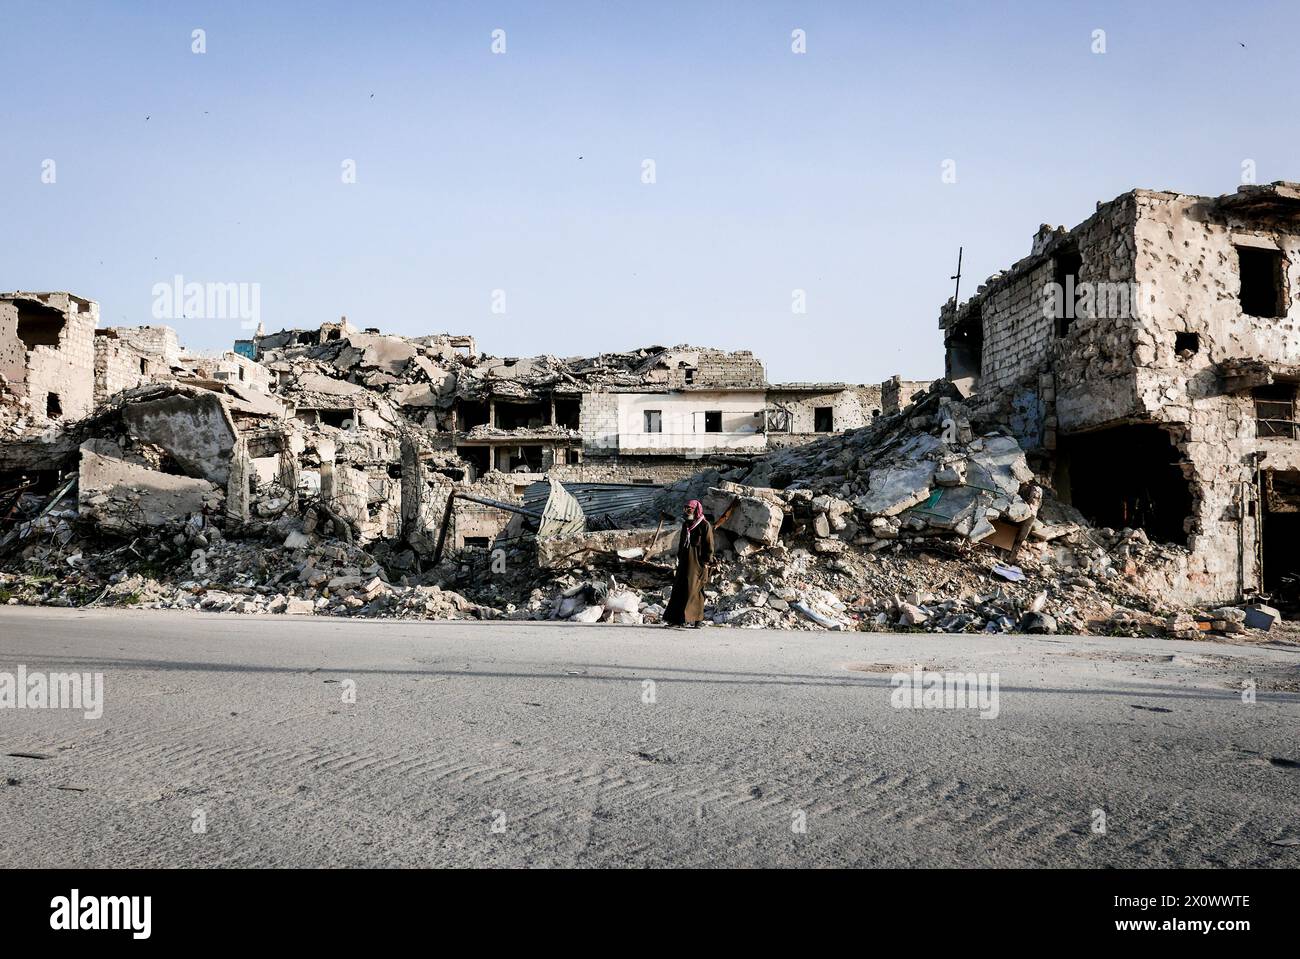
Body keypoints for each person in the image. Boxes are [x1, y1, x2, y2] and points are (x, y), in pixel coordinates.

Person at [664, 499, 713, 628]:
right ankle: (677, 620)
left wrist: (705, 562)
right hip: (684, 563)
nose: (687, 511)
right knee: (680, 589)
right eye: (686, 508)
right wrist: (679, 558)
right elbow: (681, 544)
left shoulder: (704, 525)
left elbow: (709, 546)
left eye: (690, 509)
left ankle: (696, 620)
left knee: (695, 590)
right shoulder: (686, 525)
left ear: (696, 510)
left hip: (697, 564)